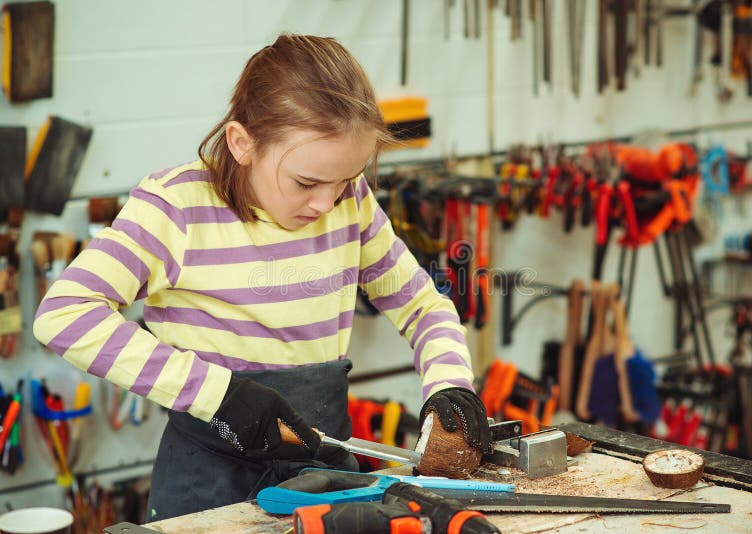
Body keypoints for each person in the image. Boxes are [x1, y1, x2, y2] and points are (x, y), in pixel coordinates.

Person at [32, 34, 491, 521]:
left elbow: (423, 306)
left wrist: (449, 386)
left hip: (325, 471)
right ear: (242, 143)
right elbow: (65, 315)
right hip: (209, 478)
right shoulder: (176, 207)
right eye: (307, 182)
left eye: (344, 180)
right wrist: (219, 395)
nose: (324, 205)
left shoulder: (349, 202)